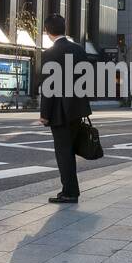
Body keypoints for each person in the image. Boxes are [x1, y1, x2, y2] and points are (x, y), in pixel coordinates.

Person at [38, 13, 91, 204]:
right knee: (68, 151)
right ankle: (70, 190)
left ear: (47, 31)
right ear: (64, 29)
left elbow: (48, 87)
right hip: (78, 109)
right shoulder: (79, 50)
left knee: (64, 152)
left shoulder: (49, 53)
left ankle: (69, 192)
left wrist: (44, 114)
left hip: (60, 112)